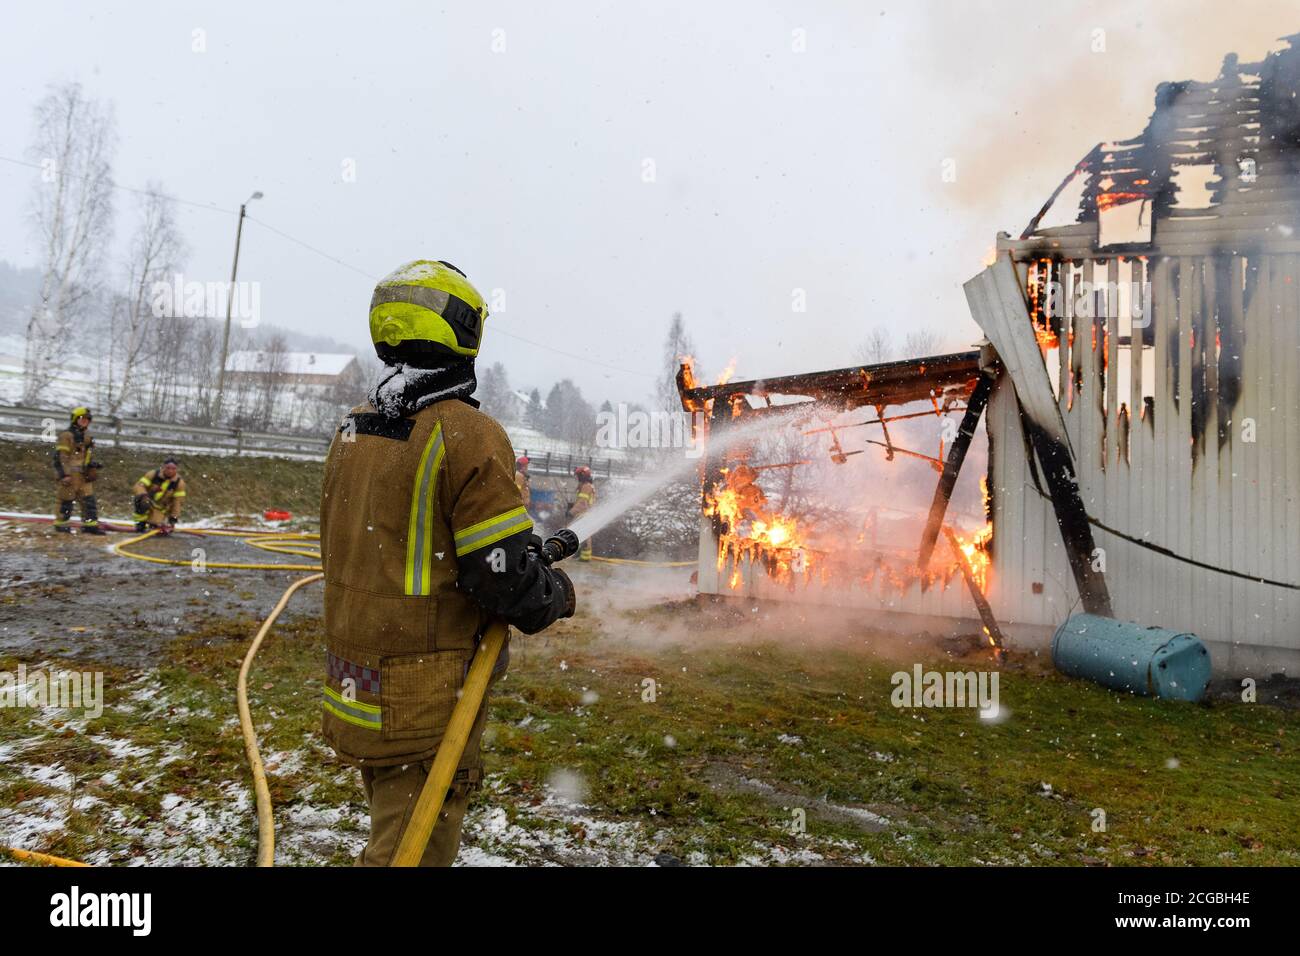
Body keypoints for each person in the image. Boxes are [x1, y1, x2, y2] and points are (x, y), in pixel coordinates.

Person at [320, 259, 576, 867]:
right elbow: (501, 577)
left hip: (357, 669)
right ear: (464, 332)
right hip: (424, 688)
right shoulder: (466, 434)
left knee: (391, 811)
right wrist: (555, 593)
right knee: (412, 848)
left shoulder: (355, 428)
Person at [52, 406, 105, 535]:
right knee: (66, 501)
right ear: (75, 420)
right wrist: (64, 474)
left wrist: (92, 465)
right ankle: (61, 524)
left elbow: (86, 456)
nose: (85, 421)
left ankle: (90, 525)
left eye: (87, 419)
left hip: (84, 475)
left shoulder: (86, 437)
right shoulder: (66, 436)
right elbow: (61, 456)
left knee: (88, 501)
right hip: (70, 475)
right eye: (82, 419)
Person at [132, 458, 187, 533]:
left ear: (177, 470)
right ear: (163, 467)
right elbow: (139, 486)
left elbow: (177, 502)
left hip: (161, 509)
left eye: (173, 469)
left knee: (155, 526)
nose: (170, 471)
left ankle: (154, 523)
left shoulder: (179, 483)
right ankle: (140, 523)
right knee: (142, 501)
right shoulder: (153, 474)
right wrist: (143, 495)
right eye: (168, 468)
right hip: (148, 501)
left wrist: (173, 518)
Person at [567, 464, 596, 560]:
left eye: (578, 475)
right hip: (585, 513)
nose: (577, 478)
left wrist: (571, 512)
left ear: (582, 475)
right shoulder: (587, 486)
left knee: (581, 534)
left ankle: (584, 556)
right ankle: (583, 555)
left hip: (584, 514)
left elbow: (582, 503)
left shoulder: (586, 486)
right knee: (582, 534)